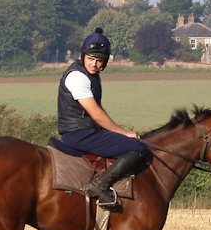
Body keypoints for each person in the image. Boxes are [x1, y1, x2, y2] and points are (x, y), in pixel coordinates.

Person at [57, 27, 152, 210]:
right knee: (138, 148)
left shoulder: (92, 76)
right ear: (83, 56)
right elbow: (97, 115)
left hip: (86, 130)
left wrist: (118, 131)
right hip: (79, 133)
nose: (94, 64)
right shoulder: (77, 77)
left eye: (99, 60)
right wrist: (123, 132)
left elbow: (99, 110)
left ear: (105, 62)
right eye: (91, 59)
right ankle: (100, 185)